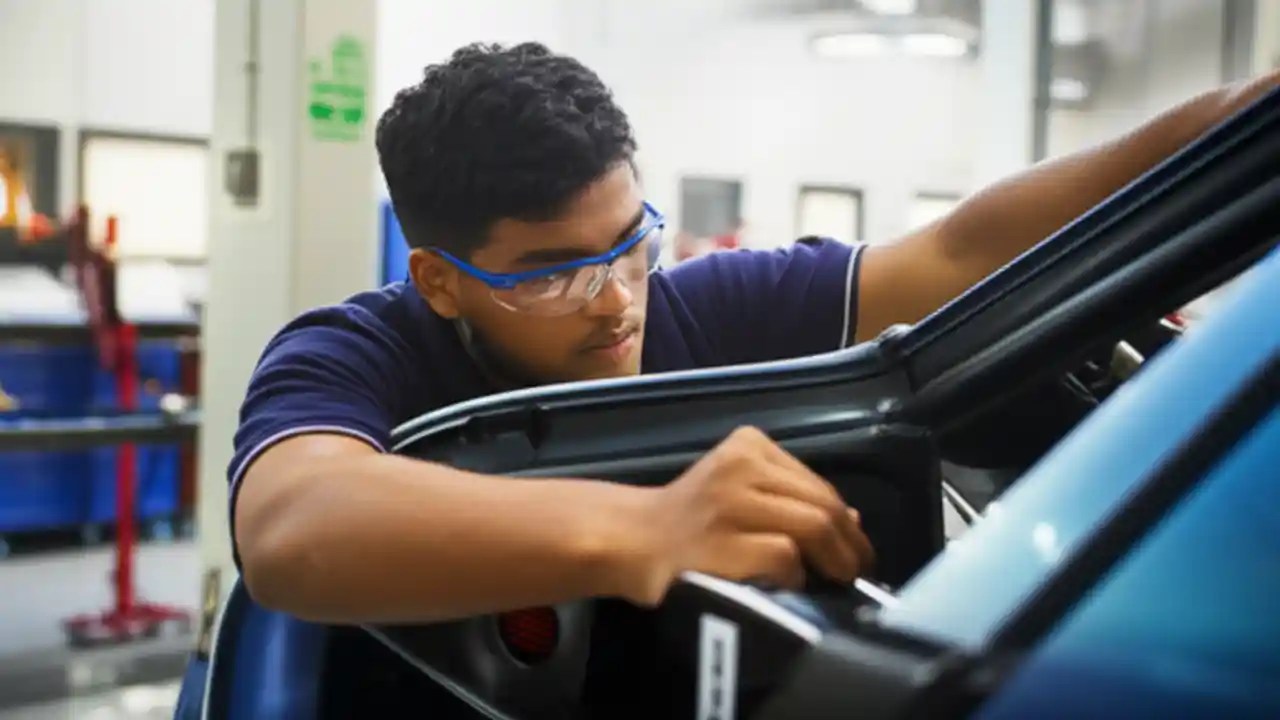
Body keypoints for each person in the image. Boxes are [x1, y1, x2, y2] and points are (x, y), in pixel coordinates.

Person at [232, 42, 1278, 627]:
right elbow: (293, 525)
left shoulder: (710, 305)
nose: (613, 300)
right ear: (438, 281)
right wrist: (644, 532)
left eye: (627, 241)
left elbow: (963, 253)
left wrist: (1236, 131)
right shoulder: (353, 352)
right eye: (553, 275)